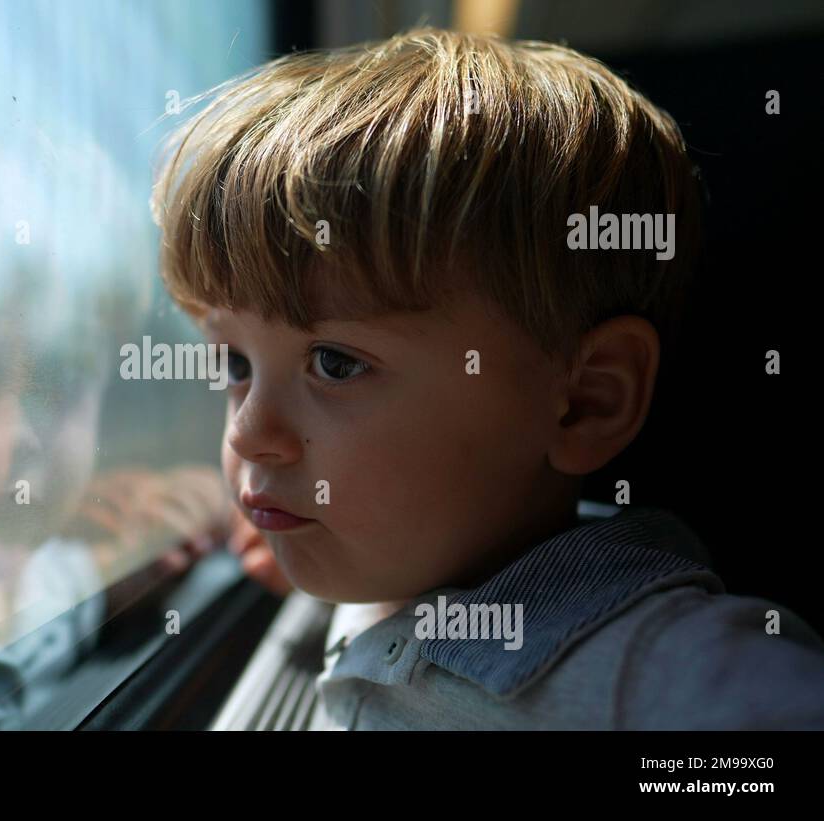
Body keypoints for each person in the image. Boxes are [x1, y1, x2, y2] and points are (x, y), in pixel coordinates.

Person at [148, 27, 824, 729]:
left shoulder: (663, 671)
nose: (251, 431)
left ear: (585, 402)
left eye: (337, 363)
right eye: (234, 363)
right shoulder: (400, 557)